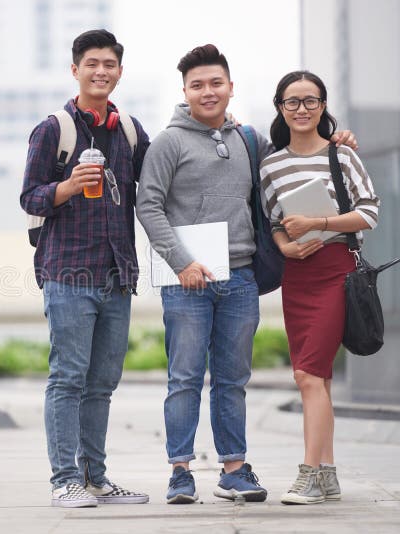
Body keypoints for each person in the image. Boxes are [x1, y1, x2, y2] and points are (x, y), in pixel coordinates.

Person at [136, 45, 358, 505]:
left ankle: (234, 469)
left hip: (239, 279)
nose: (208, 91)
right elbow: (148, 205)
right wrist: (181, 261)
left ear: (230, 87)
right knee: (185, 378)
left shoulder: (248, 140)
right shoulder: (168, 142)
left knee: (233, 378)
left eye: (216, 82)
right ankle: (180, 471)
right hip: (186, 281)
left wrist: (338, 143)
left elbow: (295, 159)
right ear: (185, 91)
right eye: (197, 84)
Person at [19, 29, 150, 508]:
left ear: (119, 71)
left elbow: (159, 183)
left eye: (109, 64)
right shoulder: (54, 128)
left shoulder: (131, 131)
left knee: (101, 385)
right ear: (75, 69)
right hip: (68, 275)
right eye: (91, 63)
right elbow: (29, 196)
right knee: (68, 379)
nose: (101, 71)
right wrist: (68, 186)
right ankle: (63, 482)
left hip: (117, 276)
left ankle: (95, 478)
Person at [259, 71, 380, 505]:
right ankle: (327, 474)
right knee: (318, 380)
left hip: (336, 272)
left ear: (323, 106)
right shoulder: (271, 164)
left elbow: (369, 213)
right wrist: (285, 247)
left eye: (311, 100)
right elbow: (274, 221)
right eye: (293, 102)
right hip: (298, 276)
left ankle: (309, 474)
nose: (302, 109)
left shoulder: (342, 155)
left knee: (307, 375)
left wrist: (319, 223)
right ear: (280, 108)